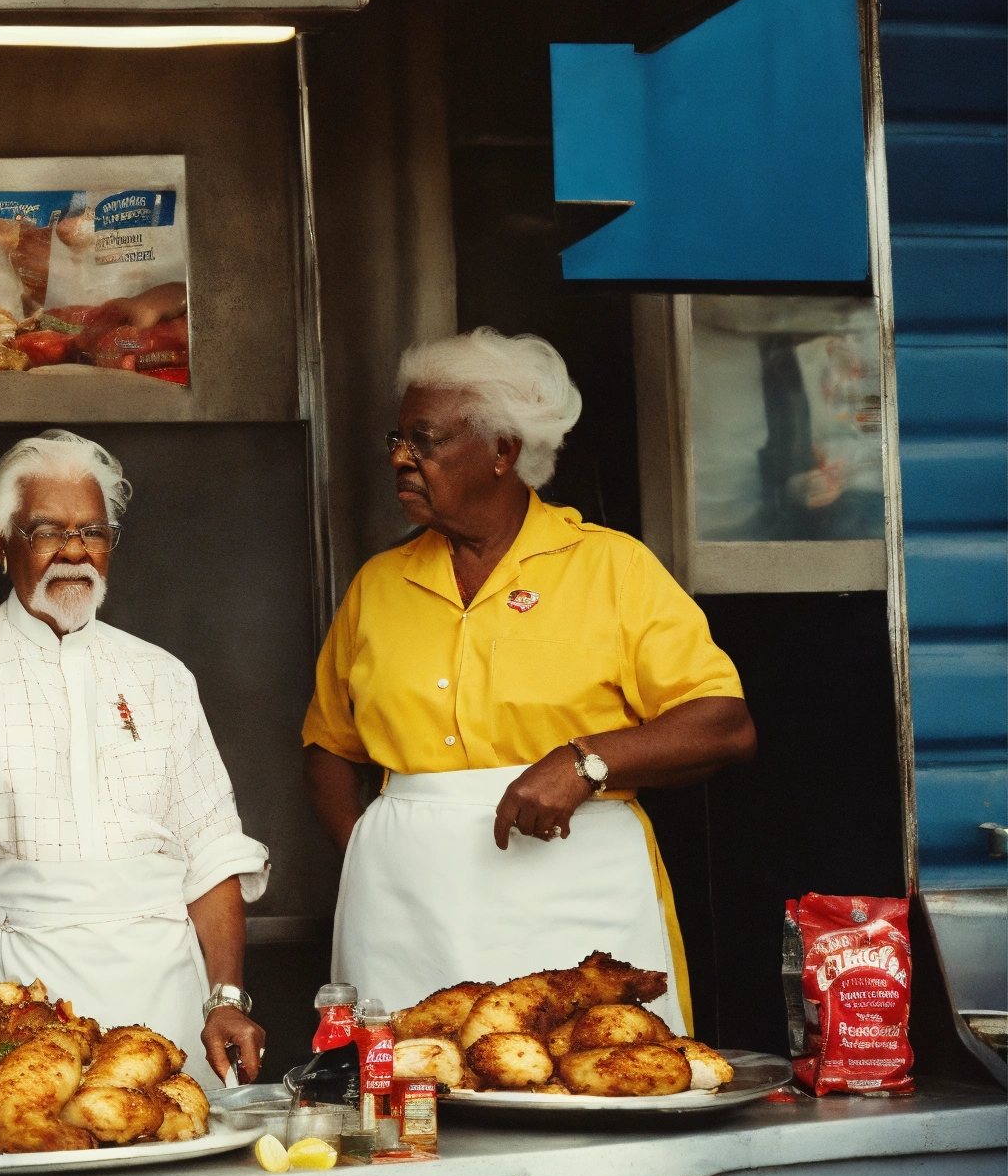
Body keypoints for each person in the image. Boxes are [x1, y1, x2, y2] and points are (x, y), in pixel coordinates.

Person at [302, 330, 757, 1028]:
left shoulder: (612, 568)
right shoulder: (379, 584)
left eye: (424, 440)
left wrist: (587, 762)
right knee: (412, 1104)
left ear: (502, 452)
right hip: (403, 909)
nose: (400, 457)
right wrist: (368, 849)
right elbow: (329, 743)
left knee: (600, 1073)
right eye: (396, 438)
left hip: (574, 888)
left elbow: (724, 725)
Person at [0, 430, 269, 1088]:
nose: (74, 551)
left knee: (167, 1149)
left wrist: (226, 1000)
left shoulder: (160, 675)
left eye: (92, 532)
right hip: (14, 979)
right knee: (27, 1147)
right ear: (0, 543)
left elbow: (213, 851)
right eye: (47, 530)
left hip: (161, 985)